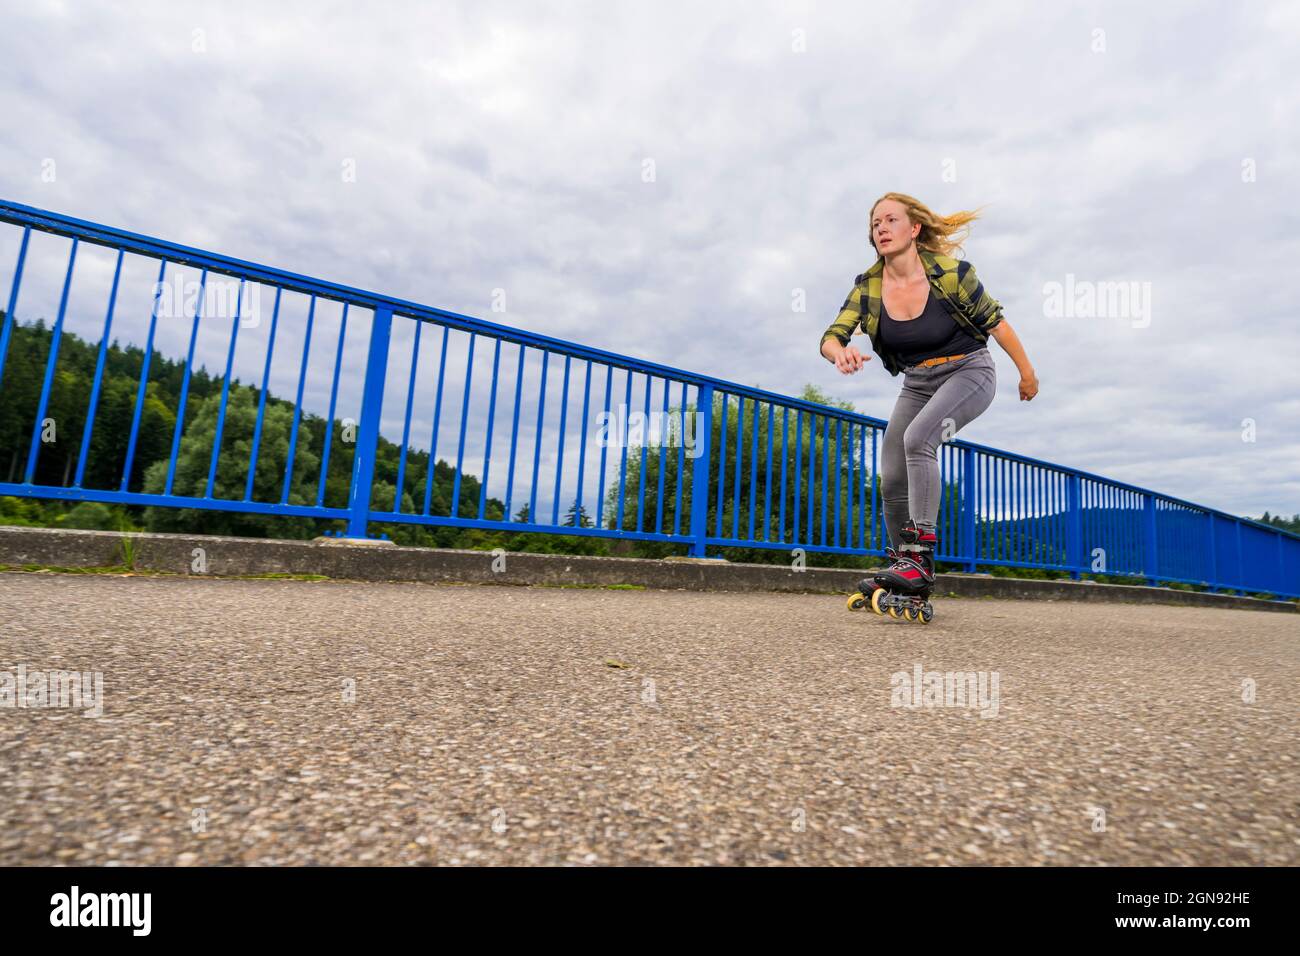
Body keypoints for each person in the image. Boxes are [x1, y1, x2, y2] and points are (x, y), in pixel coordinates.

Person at [819, 192, 1039, 600]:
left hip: (969, 370)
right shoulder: (868, 287)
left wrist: (1027, 374)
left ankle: (920, 556)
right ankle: (905, 565)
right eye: (875, 224)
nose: (881, 229)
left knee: (919, 440)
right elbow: (831, 337)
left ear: (914, 228)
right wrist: (840, 352)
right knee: (892, 471)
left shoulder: (953, 274)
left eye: (890, 220)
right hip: (917, 382)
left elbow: (997, 324)